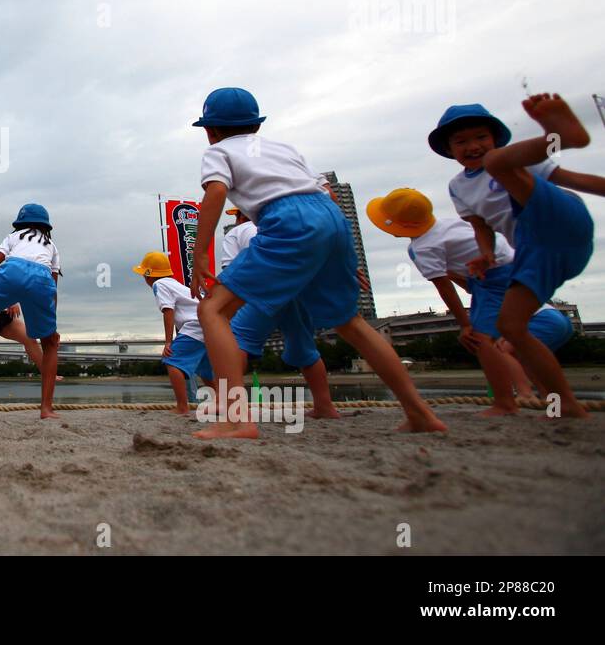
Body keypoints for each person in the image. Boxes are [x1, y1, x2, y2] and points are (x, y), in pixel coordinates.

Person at [189, 87, 445, 438]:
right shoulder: (285, 149)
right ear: (256, 126)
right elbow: (326, 192)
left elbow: (215, 191)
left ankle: (236, 420)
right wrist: (341, 253)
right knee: (351, 322)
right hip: (330, 220)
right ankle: (420, 413)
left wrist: (200, 252)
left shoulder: (217, 151)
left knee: (213, 311)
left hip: (285, 219)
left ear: (210, 130)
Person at [433, 95, 602, 418]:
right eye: (461, 141)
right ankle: (566, 402)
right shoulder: (458, 187)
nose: (472, 146)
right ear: (449, 150)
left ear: (495, 137)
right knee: (511, 326)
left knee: (498, 162)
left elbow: (574, 181)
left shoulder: (511, 160)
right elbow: (482, 227)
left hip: (560, 219)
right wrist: (485, 256)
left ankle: (564, 137)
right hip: (537, 250)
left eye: (480, 137)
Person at [366, 187, 533, 416]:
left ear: (399, 227)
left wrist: (464, 324)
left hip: (495, 276)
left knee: (481, 339)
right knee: (506, 336)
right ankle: (531, 393)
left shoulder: (423, 247)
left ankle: (505, 402)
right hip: (515, 264)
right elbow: (457, 269)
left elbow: (444, 286)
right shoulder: (448, 225)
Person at [224, 207, 343, 420]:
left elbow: (231, 270)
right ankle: (325, 407)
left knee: (235, 342)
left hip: (264, 289)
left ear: (242, 216)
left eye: (236, 215)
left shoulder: (238, 231)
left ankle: (233, 408)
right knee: (305, 349)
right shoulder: (286, 231)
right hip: (299, 290)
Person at [0, 204, 62, 419]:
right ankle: (46, 409)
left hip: (10, 272)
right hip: (42, 279)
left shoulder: (14, 236)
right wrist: (51, 317)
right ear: (45, 226)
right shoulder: (51, 246)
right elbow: (53, 283)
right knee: (50, 343)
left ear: (19, 224)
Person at [133, 252, 211, 413]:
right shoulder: (176, 284)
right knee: (205, 368)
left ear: (149, 276)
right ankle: (224, 403)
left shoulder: (159, 285)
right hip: (209, 325)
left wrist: (168, 341)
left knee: (172, 360)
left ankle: (182, 407)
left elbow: (168, 311)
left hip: (195, 326)